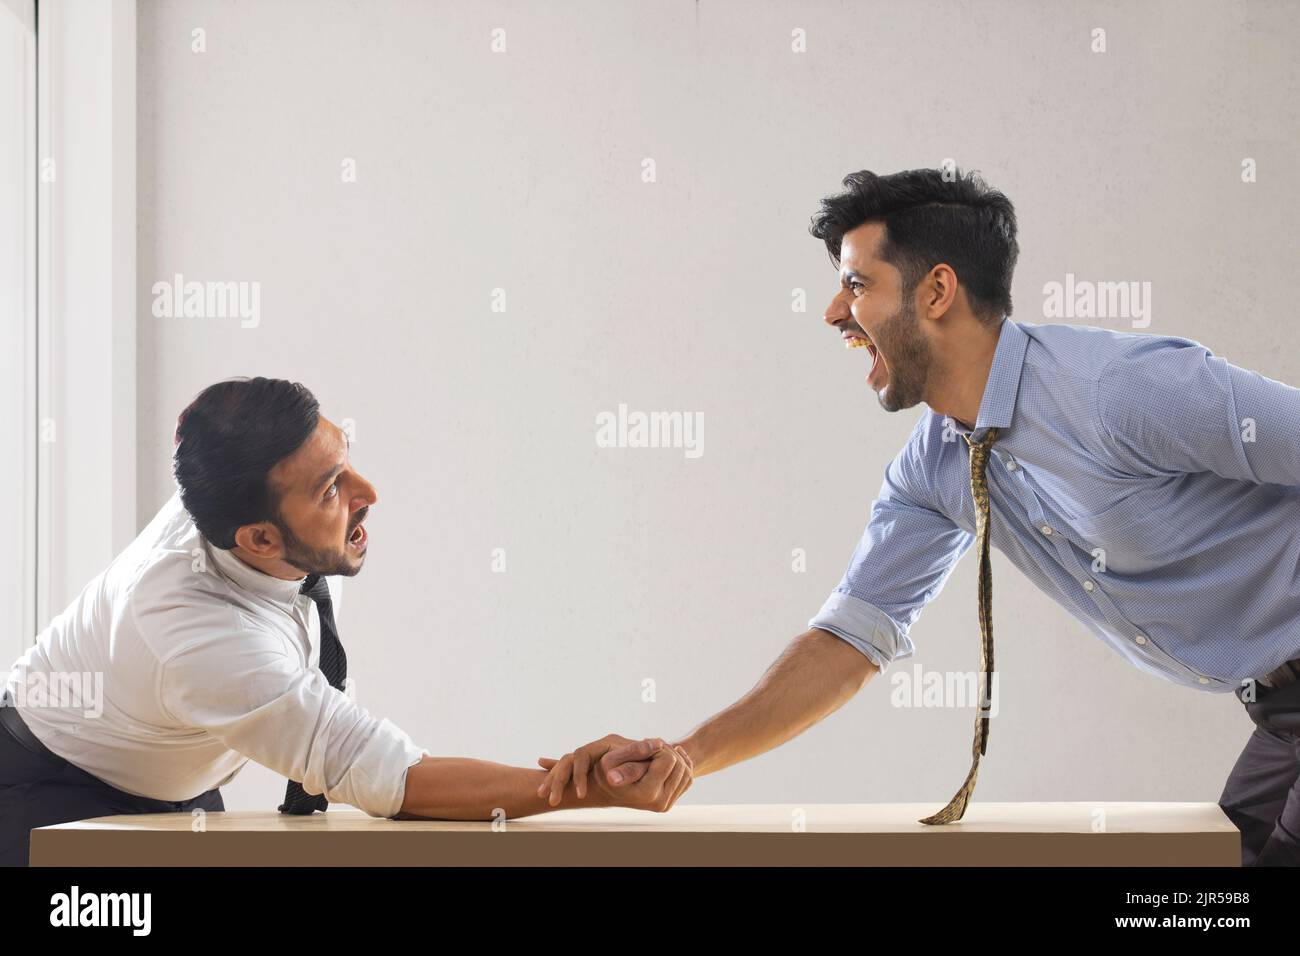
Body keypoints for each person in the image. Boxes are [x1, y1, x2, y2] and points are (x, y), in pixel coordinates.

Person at [539, 166, 1300, 866]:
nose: (835, 311)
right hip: (1281, 709)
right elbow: (848, 642)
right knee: (1205, 890)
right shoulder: (933, 467)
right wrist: (684, 757)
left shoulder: (1121, 390)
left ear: (936, 292)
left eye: (856, 284)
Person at [0, 377, 691, 866]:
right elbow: (394, 781)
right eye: (332, 490)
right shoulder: (203, 640)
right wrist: (582, 789)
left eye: (345, 460)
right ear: (260, 541)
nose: (368, 494)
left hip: (176, 773)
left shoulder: (228, 485)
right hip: (53, 789)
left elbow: (194, 422)